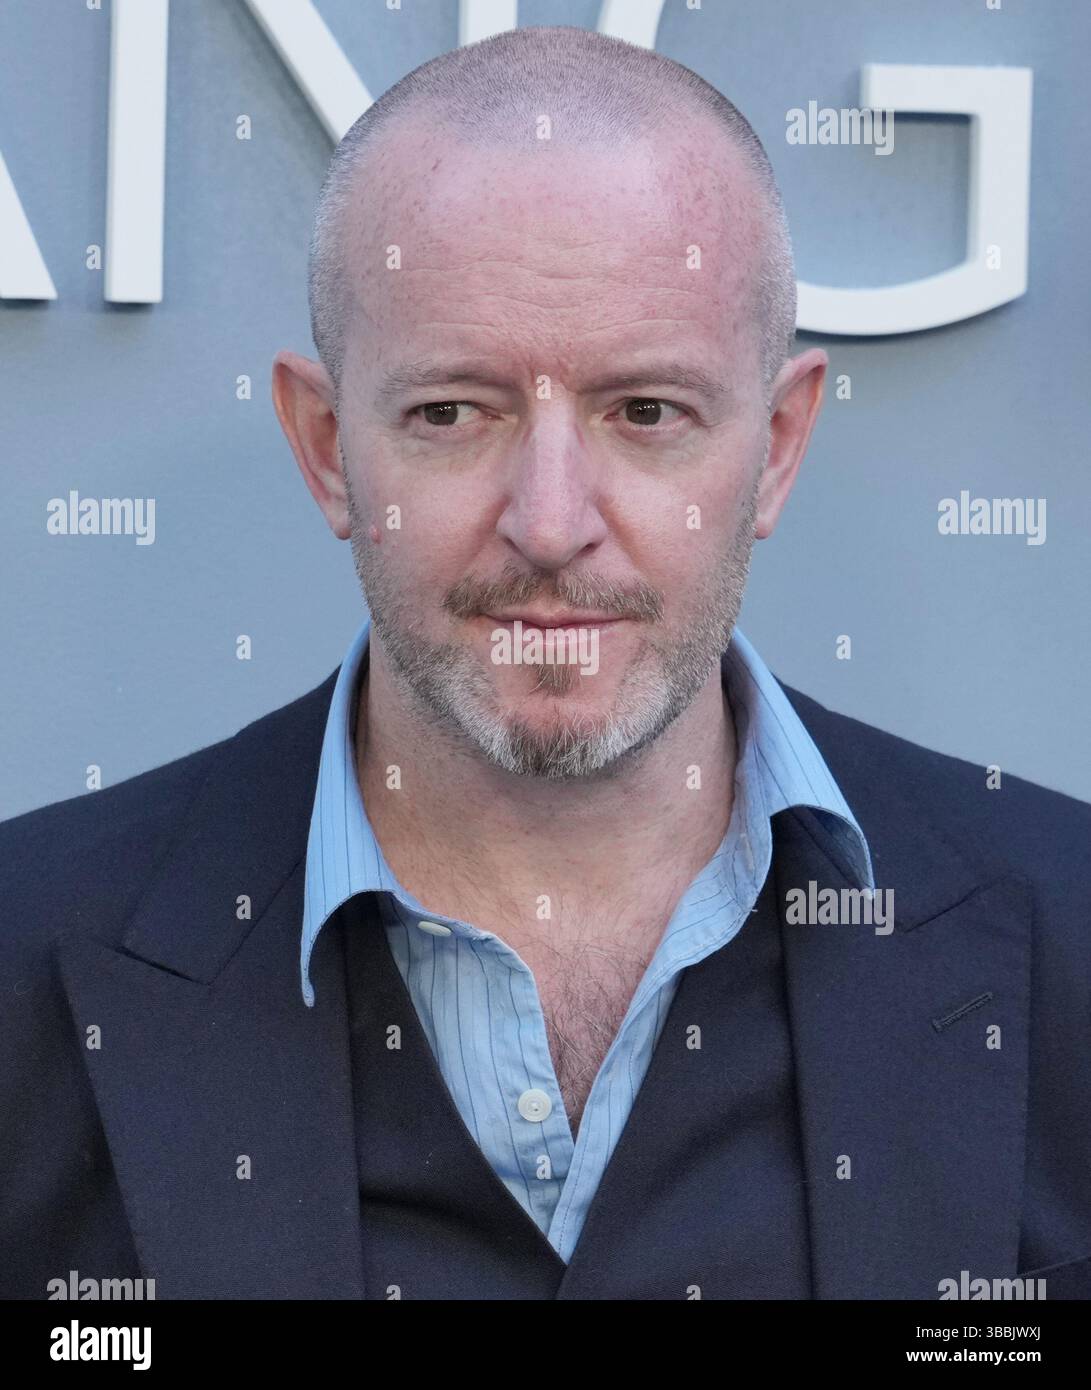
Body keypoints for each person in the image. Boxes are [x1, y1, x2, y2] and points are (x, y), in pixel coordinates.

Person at [2, 25, 1088, 1302]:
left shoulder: (1068, 933)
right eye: (452, 412)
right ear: (325, 445)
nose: (550, 519)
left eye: (646, 412)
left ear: (779, 448)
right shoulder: (26, 953)